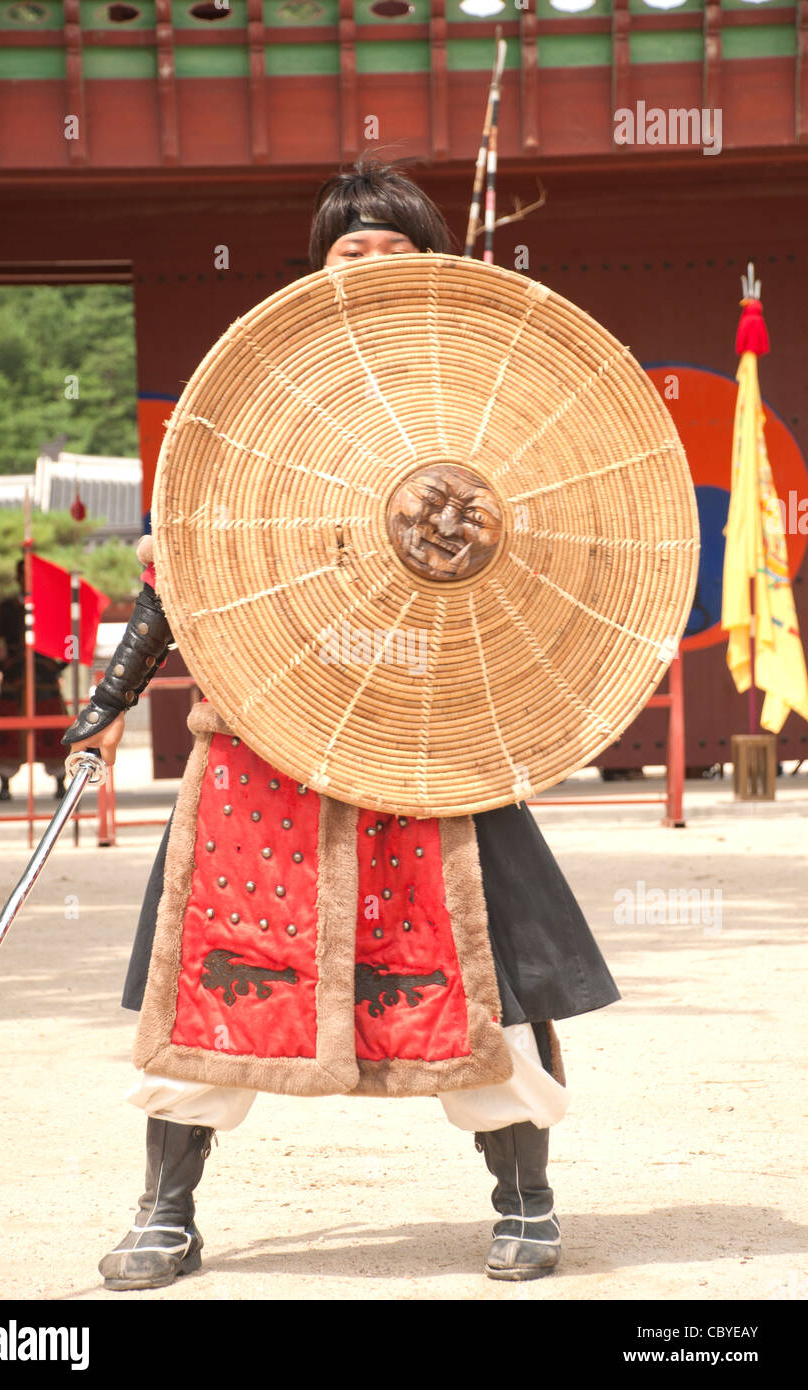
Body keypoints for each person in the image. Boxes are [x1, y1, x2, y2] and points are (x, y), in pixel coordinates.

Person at [64, 158, 619, 1291]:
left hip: (431, 730)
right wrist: (106, 704)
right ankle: (168, 1208)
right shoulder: (263, 394)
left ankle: (526, 1196)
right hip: (269, 731)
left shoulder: (492, 400)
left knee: (482, 983)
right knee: (211, 981)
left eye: (391, 246)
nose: (367, 261)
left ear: (434, 263)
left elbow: (565, 546)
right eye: (346, 247)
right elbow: (188, 569)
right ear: (317, 268)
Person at [0, 558, 68, 801]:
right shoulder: (5, 609)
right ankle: (3, 783)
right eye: (24, 573)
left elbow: (69, 638)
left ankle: (60, 781)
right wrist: (3, 664)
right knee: (8, 734)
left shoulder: (53, 606)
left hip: (45, 679)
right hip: (15, 679)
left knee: (52, 732)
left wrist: (57, 667)